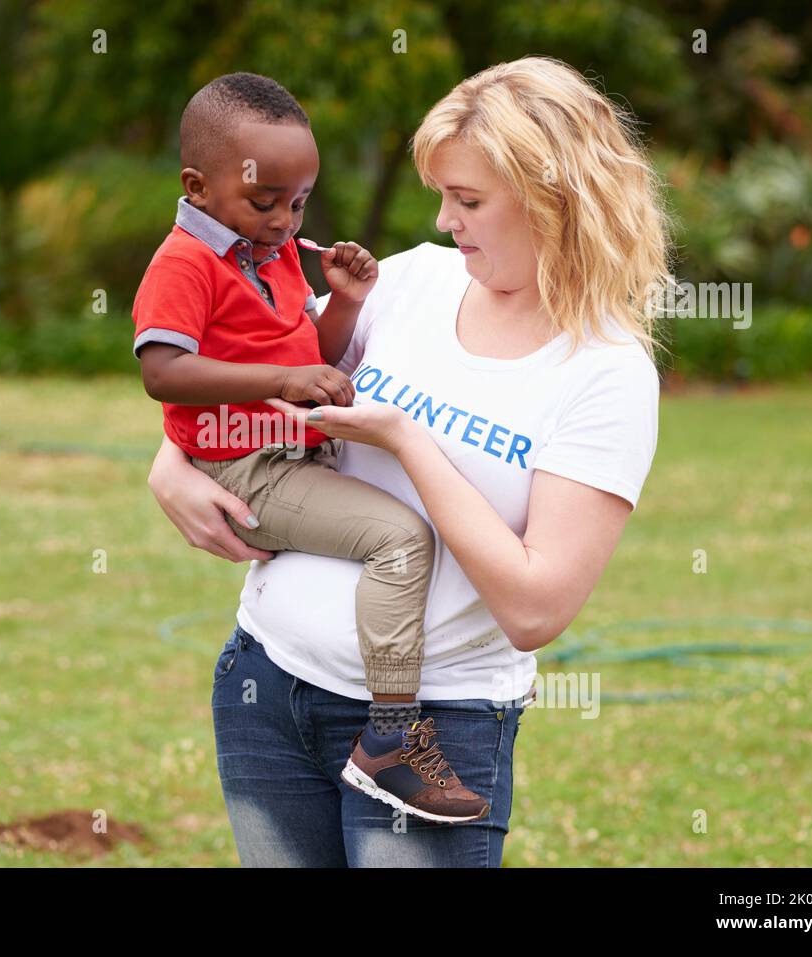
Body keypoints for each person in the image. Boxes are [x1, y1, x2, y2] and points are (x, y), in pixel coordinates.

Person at [148, 56, 666, 867]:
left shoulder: (606, 373)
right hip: (268, 687)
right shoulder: (416, 282)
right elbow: (249, 371)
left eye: (468, 200)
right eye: (443, 197)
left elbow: (535, 608)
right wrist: (168, 465)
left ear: (553, 201)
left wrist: (407, 442)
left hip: (437, 727)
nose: (445, 222)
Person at [133, 72, 487, 823]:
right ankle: (391, 741)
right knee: (400, 540)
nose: (284, 221)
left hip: (290, 453)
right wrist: (281, 378)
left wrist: (347, 303)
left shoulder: (269, 259)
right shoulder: (184, 264)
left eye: (298, 203)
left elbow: (309, 371)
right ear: (197, 186)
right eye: (264, 203)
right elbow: (162, 372)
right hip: (248, 466)